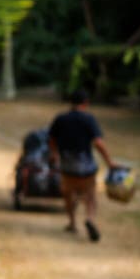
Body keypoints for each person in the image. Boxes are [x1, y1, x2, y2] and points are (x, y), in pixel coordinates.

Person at [48, 88, 115, 242]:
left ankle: (72, 223)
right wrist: (109, 162)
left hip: (67, 166)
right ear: (86, 103)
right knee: (90, 196)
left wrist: (54, 154)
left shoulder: (61, 119)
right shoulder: (88, 119)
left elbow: (51, 140)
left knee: (68, 194)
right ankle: (90, 219)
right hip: (86, 168)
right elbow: (98, 143)